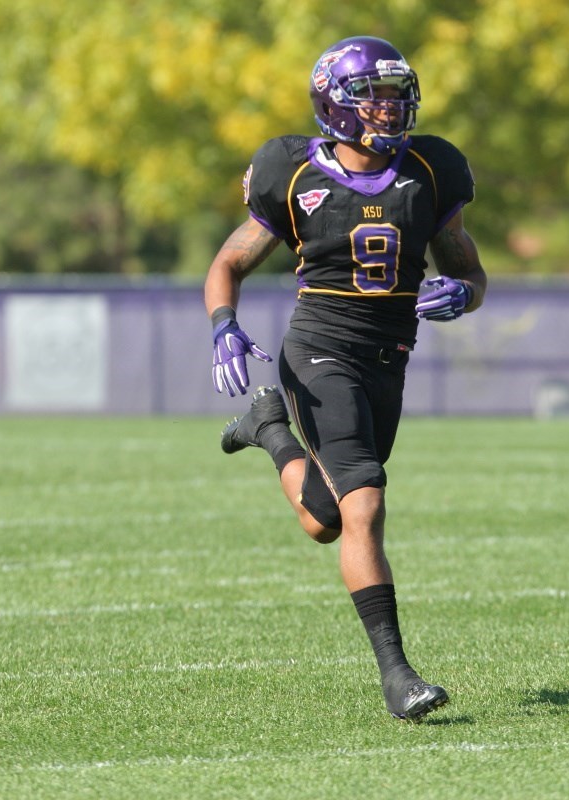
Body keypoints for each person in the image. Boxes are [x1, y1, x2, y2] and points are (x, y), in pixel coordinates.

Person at [203, 35, 487, 721]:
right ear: (336, 102)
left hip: (389, 359)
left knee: (327, 521)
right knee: (365, 507)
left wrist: (464, 294)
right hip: (319, 351)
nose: (389, 111)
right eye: (374, 98)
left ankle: (270, 429)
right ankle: (399, 678)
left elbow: (469, 270)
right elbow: (229, 263)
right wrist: (223, 325)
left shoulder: (431, 168)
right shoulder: (293, 170)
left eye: (396, 97)